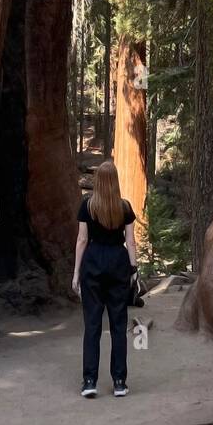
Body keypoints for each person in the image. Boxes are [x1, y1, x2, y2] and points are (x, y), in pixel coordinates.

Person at [72, 159, 138, 398]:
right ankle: (119, 381)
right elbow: (130, 241)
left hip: (93, 263)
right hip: (118, 263)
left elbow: (81, 241)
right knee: (118, 325)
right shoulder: (125, 207)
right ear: (115, 182)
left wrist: (76, 272)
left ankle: (90, 380)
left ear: (97, 181)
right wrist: (134, 268)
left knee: (92, 325)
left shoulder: (87, 206)